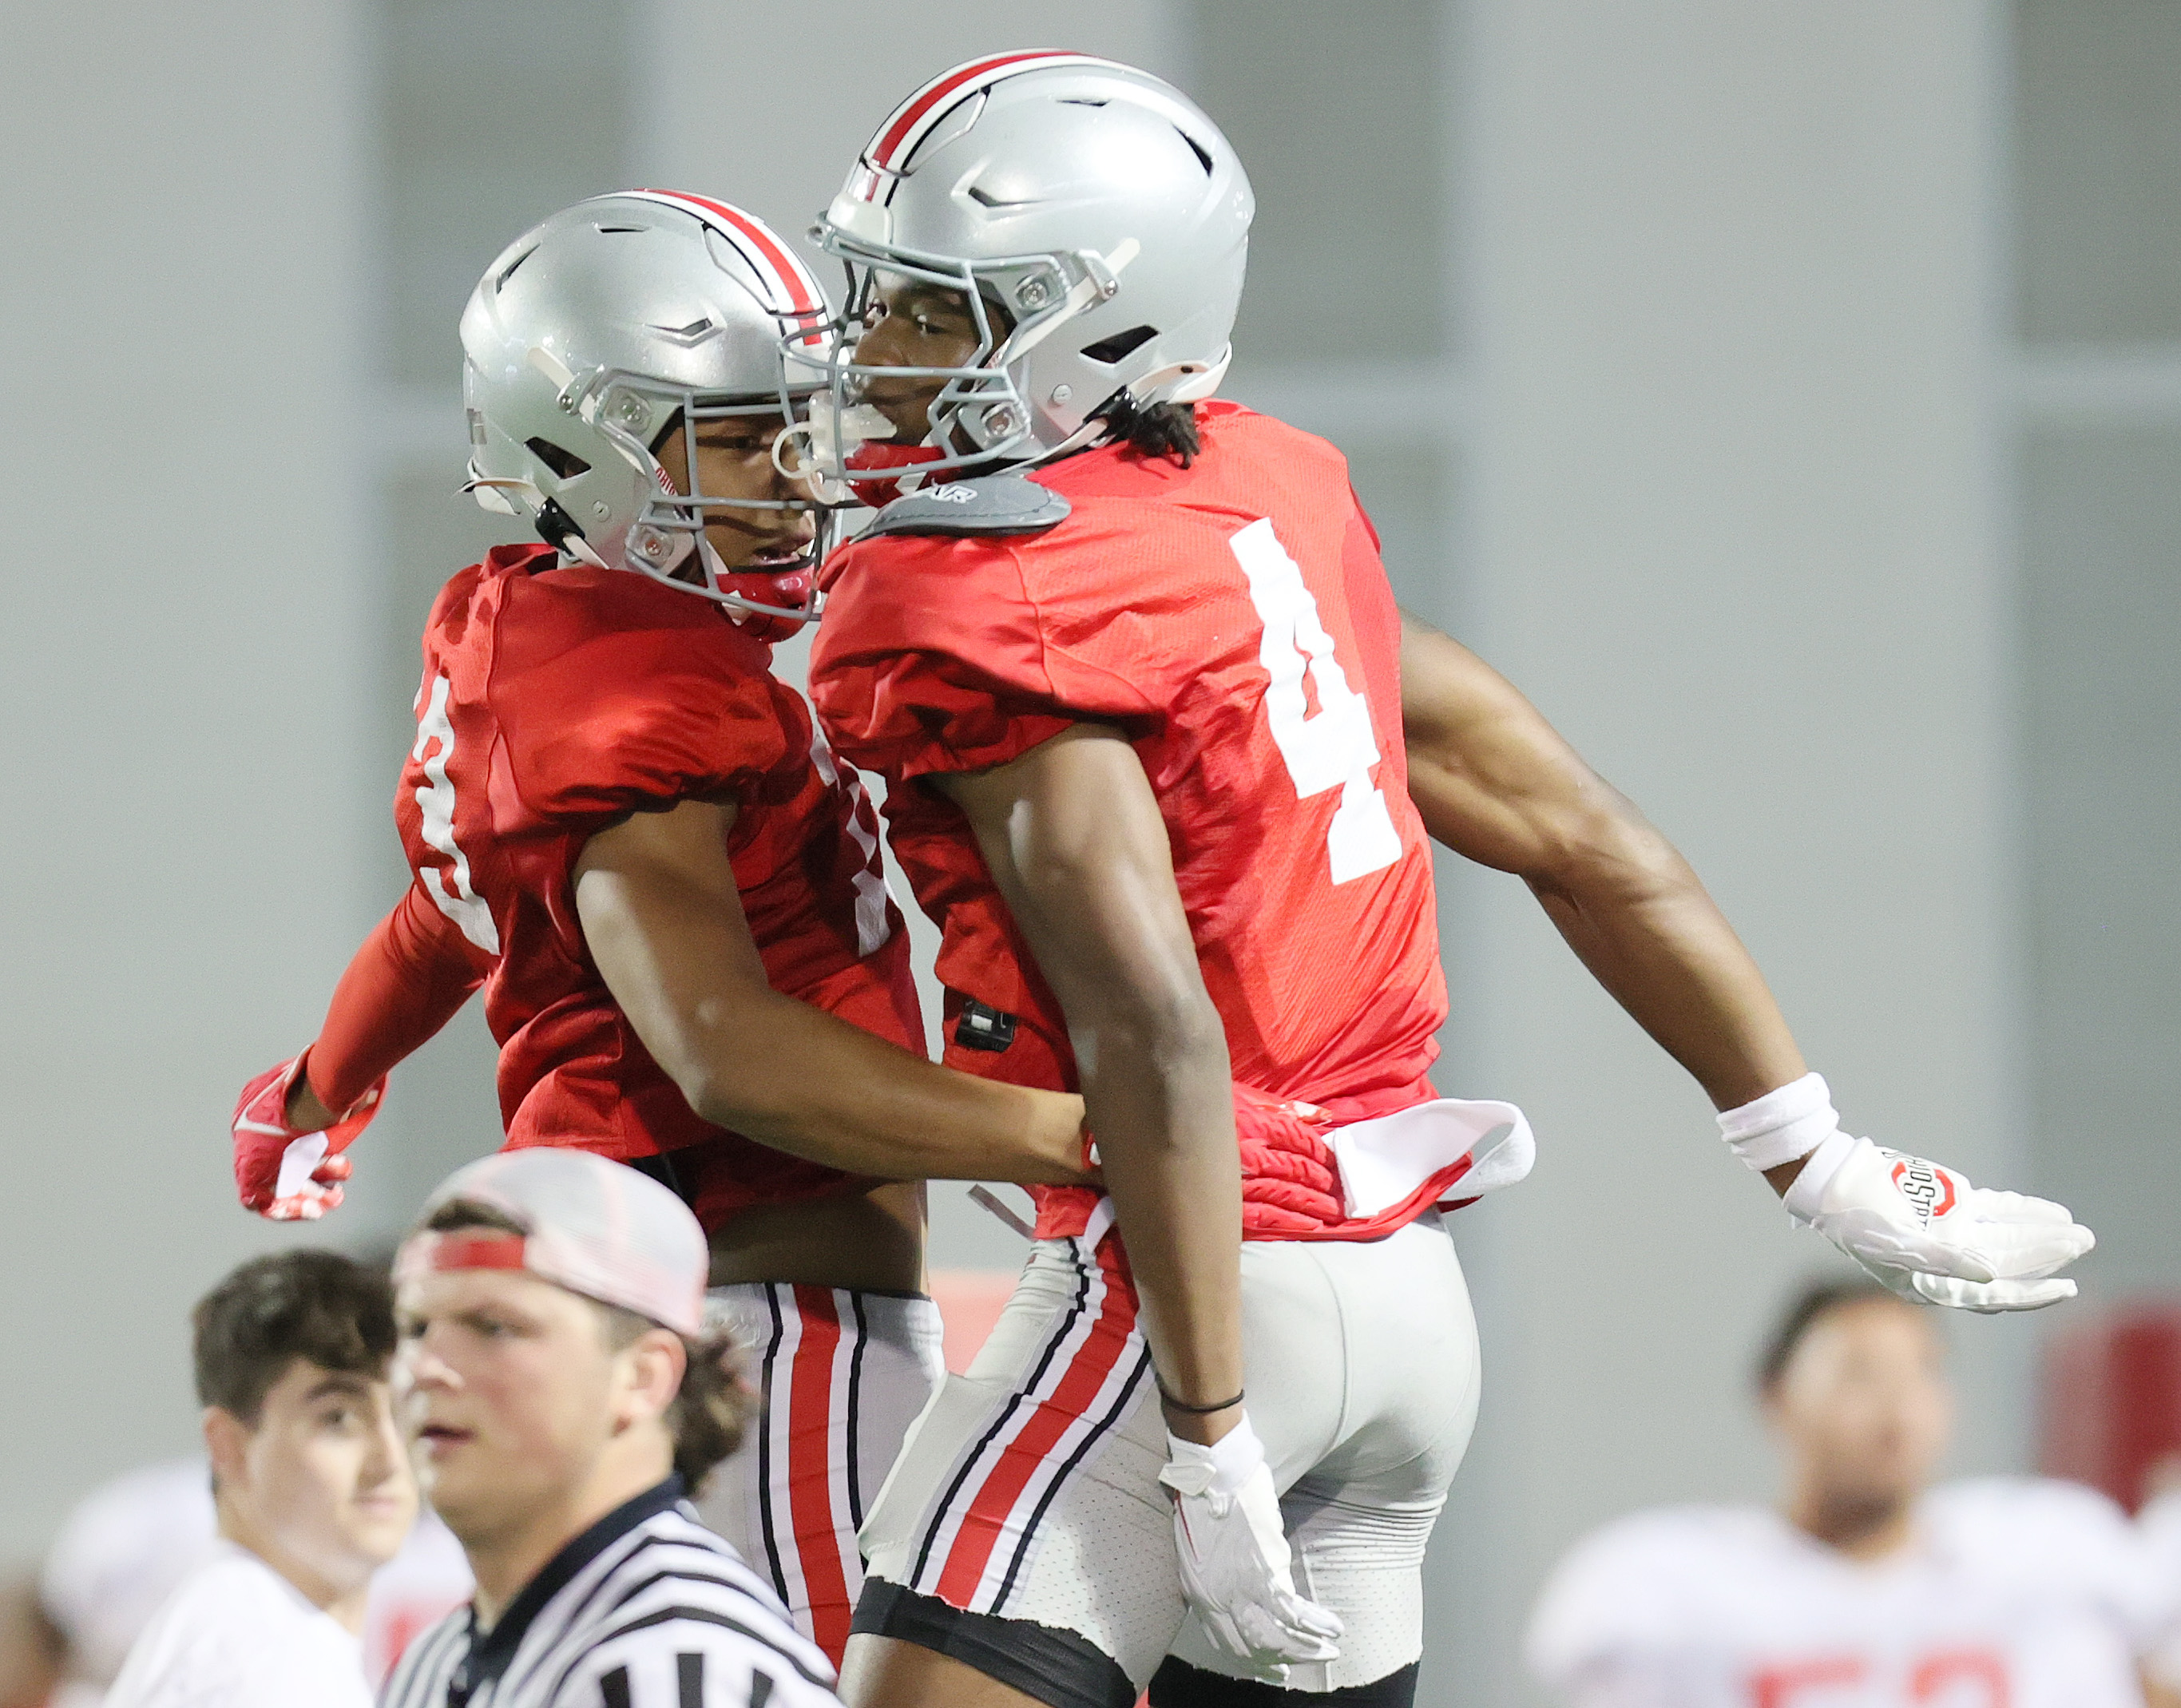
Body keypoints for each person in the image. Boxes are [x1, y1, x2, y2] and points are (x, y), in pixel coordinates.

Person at [797, 51, 2095, 1708]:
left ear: (1100, 326)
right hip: (1407, 1306)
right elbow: (1582, 831)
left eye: (935, 311)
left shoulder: (984, 589)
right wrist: (1813, 1152)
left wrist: (1206, 1423)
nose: (877, 354)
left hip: (1185, 1285)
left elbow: (1153, 1019)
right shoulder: (1261, 498)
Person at [225, 189, 1094, 1664]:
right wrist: (1089, 1136)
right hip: (762, 1333)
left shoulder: (550, 632)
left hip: (732, 1317)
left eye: (795, 428)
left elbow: (449, 914)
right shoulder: (632, 685)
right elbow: (723, 1050)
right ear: (585, 454)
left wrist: (317, 1085)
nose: (796, 476)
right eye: (742, 437)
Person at [1525, 1276, 2181, 1706]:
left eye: (1921, 1372)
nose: (1896, 1406)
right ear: (1776, 1396)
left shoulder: (2051, 1547)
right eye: (1858, 1374)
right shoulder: (1664, 1585)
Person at [380, 1146, 844, 1708]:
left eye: (495, 1327)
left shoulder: (676, 1664)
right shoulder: (434, 1661)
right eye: (415, 1328)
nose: (426, 1367)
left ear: (643, 1377)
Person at [104, 1251, 416, 1708]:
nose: (390, 1460)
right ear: (229, 1447)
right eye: (338, 1418)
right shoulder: (263, 1664)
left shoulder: (256, 1637)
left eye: (406, 1411)